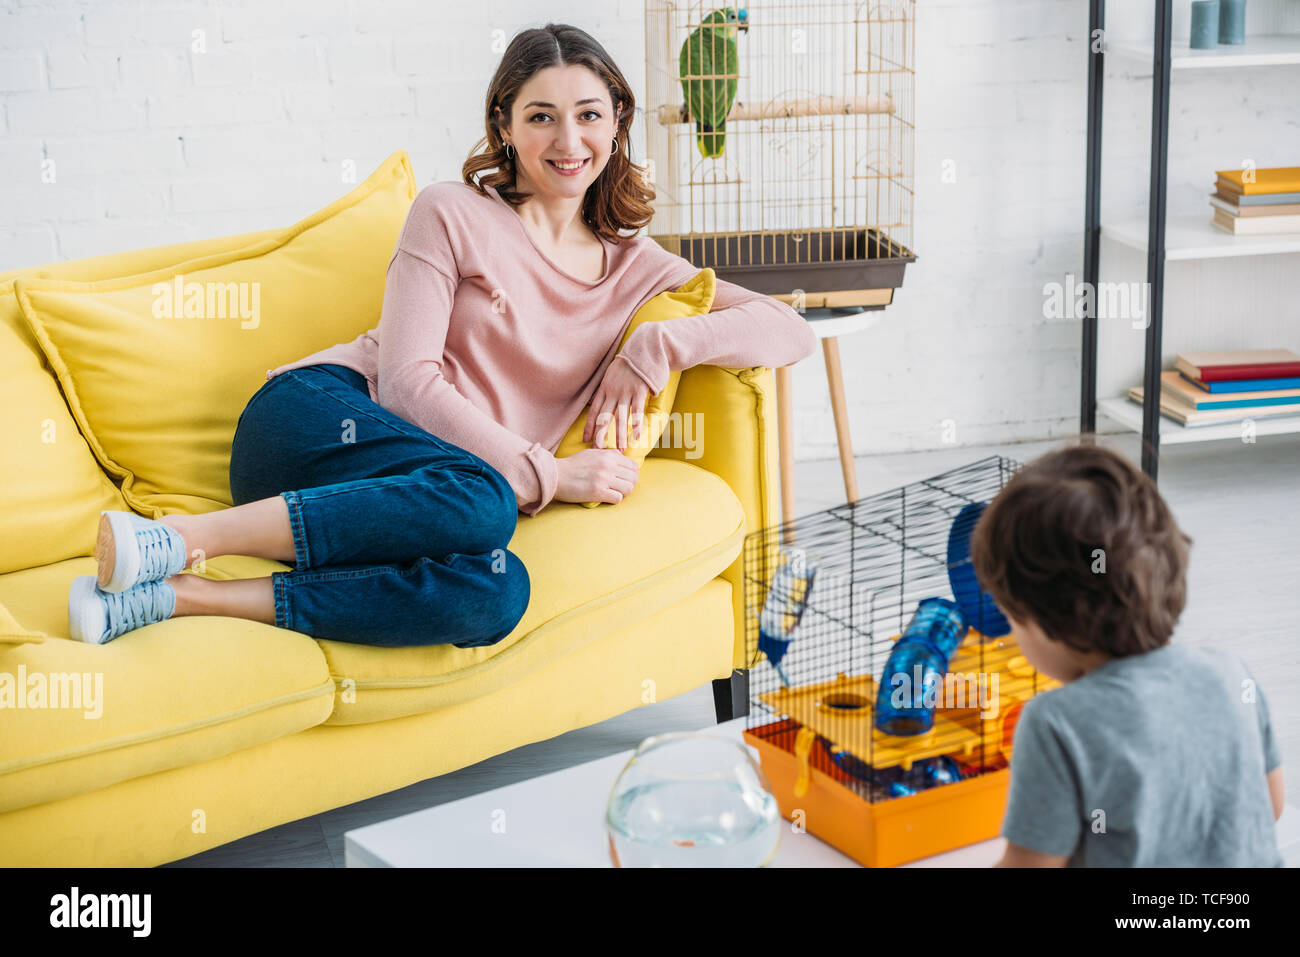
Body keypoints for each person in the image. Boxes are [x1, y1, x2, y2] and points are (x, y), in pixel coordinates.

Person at [67, 22, 817, 647]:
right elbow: (408, 384)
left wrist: (658, 347)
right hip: (314, 423)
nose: (569, 139)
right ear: (505, 125)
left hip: (420, 496)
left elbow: (789, 328)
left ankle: (181, 597)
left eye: (589, 113)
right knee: (488, 504)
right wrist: (552, 476)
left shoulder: (639, 270)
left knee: (494, 592)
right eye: (541, 115)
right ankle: (182, 534)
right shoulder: (450, 212)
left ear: (618, 121)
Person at [970, 441, 1285, 867]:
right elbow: (1269, 806)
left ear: (1045, 619)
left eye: (1012, 621)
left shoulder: (1057, 722)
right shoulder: (1233, 675)